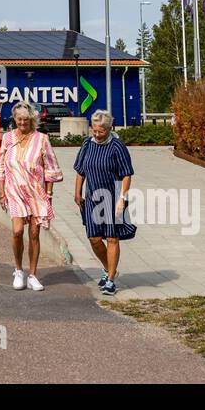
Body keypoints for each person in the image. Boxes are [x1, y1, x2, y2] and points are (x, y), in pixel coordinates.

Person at [0, 101, 64, 291]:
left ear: (31, 120)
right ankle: (18, 270)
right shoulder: (8, 138)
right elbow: (0, 166)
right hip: (14, 191)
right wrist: (1, 192)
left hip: (36, 192)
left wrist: (49, 194)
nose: (22, 123)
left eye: (26, 120)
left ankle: (33, 274)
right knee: (17, 231)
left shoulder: (41, 139)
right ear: (14, 119)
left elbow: (51, 168)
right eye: (19, 120)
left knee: (34, 233)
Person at [73, 109, 136, 296]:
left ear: (109, 129)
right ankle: (109, 268)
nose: (97, 134)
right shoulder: (87, 144)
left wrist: (122, 199)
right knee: (93, 238)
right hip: (92, 197)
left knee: (111, 238)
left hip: (113, 197)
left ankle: (110, 280)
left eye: (101, 131)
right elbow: (80, 171)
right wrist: (77, 193)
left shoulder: (117, 146)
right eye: (94, 130)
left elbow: (127, 175)